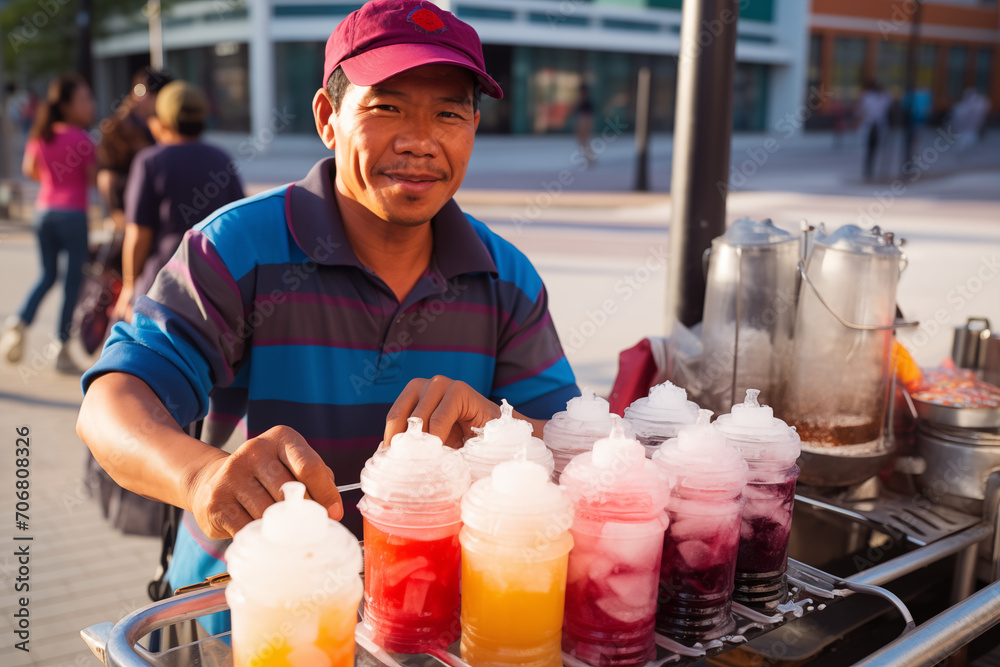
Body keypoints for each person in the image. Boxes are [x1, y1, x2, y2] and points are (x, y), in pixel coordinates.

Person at [77, 0, 579, 641]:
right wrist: (204, 474)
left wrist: (502, 431)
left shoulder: (505, 277)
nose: (420, 141)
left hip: (433, 620)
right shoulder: (239, 247)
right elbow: (112, 403)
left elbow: (571, 449)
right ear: (327, 118)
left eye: (448, 113)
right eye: (386, 106)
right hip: (248, 615)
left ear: (473, 129)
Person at [112, 80, 244, 323]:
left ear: (162, 121)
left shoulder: (150, 161)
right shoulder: (221, 159)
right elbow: (238, 224)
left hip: (161, 282)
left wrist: (129, 287)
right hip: (213, 284)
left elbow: (138, 235)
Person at [0, 74, 96, 373]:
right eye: (84, 99)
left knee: (47, 275)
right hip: (73, 215)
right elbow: (94, 178)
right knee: (72, 283)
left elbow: (29, 170)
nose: (90, 105)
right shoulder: (82, 139)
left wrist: (54, 180)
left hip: (44, 212)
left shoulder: (41, 135)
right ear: (67, 105)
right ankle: (61, 350)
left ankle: (20, 320)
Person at [96, 69, 173, 234]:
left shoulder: (169, 125)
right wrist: (115, 211)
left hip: (163, 209)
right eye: (142, 91)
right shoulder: (117, 128)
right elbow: (106, 175)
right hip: (129, 208)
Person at [856, 80, 892, 181]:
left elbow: (861, 111)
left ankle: (870, 170)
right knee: (870, 149)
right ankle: (868, 170)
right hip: (871, 125)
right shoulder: (877, 97)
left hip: (876, 125)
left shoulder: (879, 97)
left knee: (872, 149)